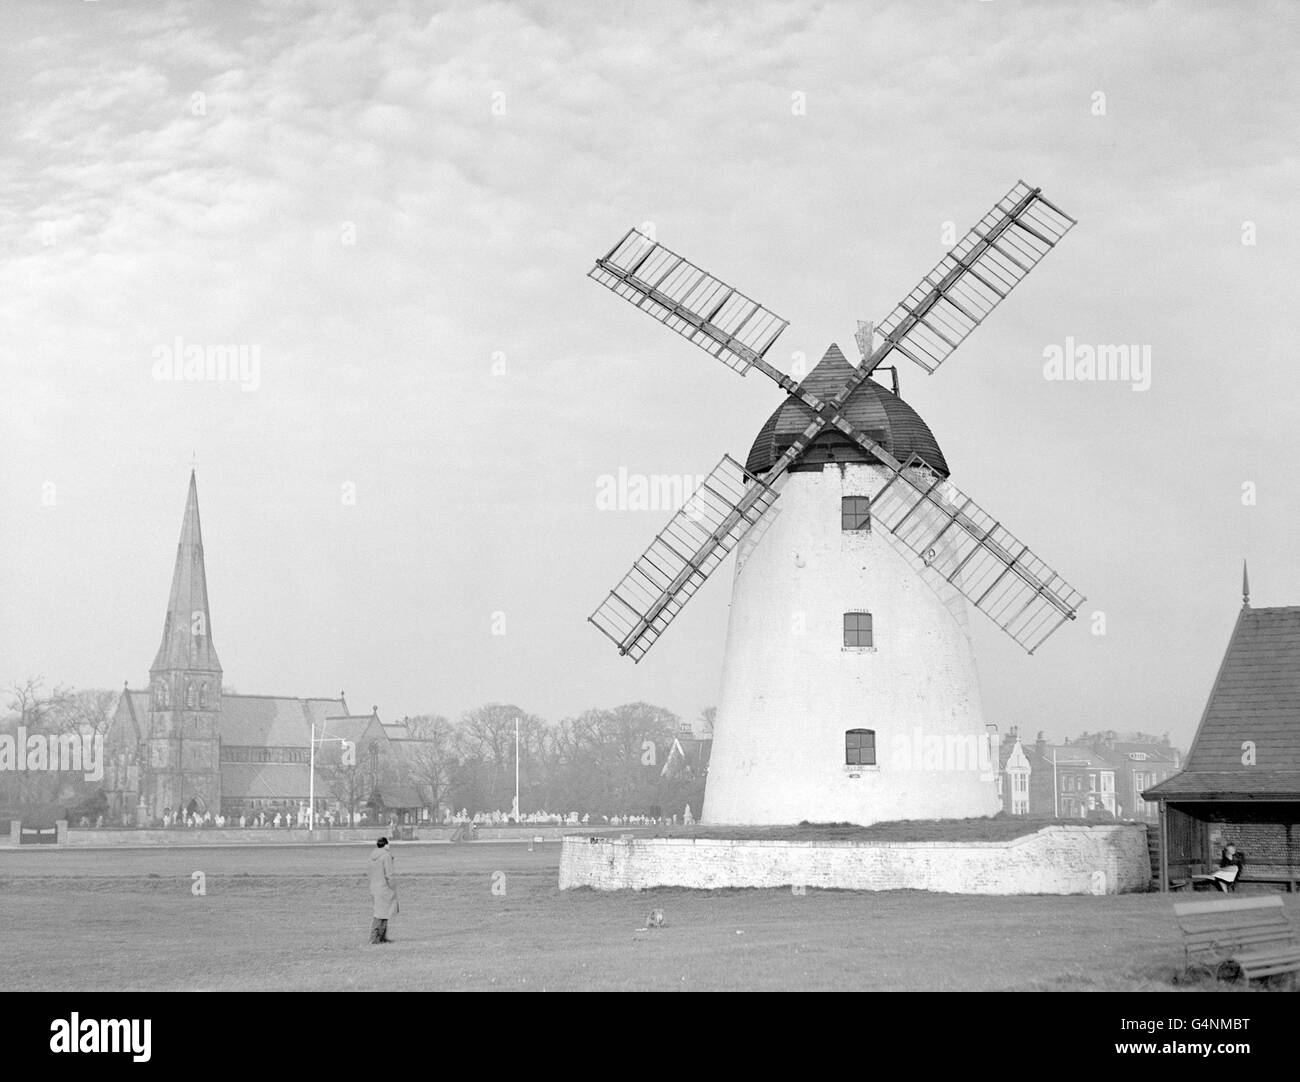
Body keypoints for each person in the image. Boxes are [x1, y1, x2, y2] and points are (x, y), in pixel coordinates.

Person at [369, 837, 398, 944]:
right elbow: (389, 874)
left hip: (374, 886)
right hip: (384, 887)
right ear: (386, 845)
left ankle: (381, 937)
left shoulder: (372, 856)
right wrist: (393, 887)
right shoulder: (386, 856)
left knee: (381, 912)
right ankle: (376, 938)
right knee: (382, 913)